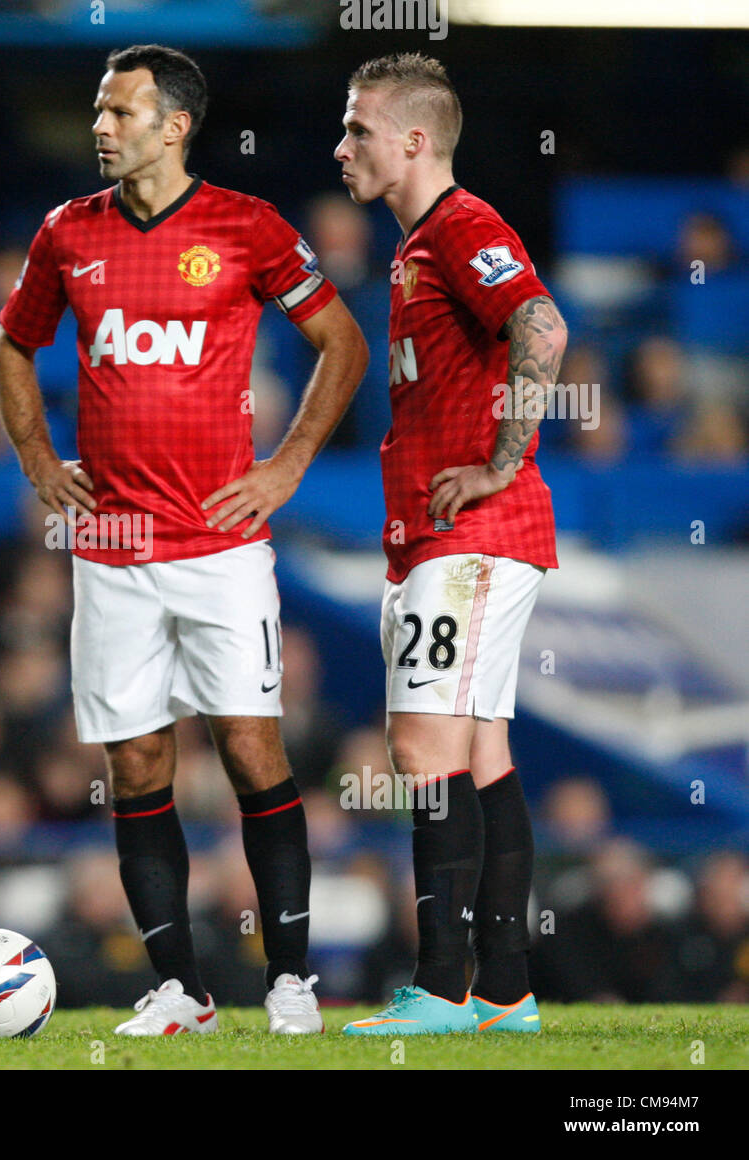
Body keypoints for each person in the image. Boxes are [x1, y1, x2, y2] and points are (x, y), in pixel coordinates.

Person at [0, 44, 367, 1035]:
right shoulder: (67, 233)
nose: (101, 127)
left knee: (251, 749)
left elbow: (343, 342)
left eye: (121, 112)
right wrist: (38, 459)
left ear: (174, 125)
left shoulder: (247, 228)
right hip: (110, 547)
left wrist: (286, 465)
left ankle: (290, 978)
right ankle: (179, 989)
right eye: (98, 111)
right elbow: (11, 345)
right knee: (137, 767)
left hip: (219, 544)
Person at [332, 54, 568, 1036]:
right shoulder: (417, 245)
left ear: (413, 141)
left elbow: (542, 328)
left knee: (422, 744)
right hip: (457, 536)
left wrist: (498, 464)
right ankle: (504, 989)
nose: (342, 147)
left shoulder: (462, 227)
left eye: (357, 130)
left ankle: (438, 982)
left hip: (471, 531)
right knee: (477, 751)